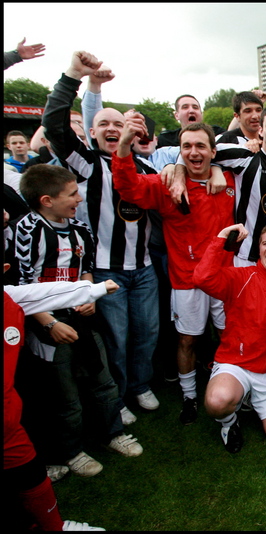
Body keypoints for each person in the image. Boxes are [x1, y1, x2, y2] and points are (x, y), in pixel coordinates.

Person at [42, 50, 161, 421]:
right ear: (92, 132)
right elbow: (54, 126)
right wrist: (73, 77)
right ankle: (119, 397)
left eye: (118, 123)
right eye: (104, 123)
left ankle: (140, 385)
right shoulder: (87, 163)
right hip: (106, 271)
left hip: (143, 268)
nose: (112, 128)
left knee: (147, 334)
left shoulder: (144, 167)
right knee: (116, 339)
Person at [14, 165, 144, 477]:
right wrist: (49, 324)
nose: (79, 199)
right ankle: (70, 451)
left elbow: (86, 268)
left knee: (103, 380)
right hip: (46, 327)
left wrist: (88, 296)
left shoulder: (80, 229)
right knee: (65, 397)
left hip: (81, 319)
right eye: (72, 194)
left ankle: (111, 434)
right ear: (47, 200)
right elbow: (21, 288)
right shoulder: (28, 231)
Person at [112, 117, 236, 426]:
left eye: (201, 146)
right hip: (187, 279)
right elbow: (128, 187)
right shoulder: (167, 185)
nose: (194, 152)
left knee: (227, 335)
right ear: (179, 151)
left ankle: (231, 387)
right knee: (187, 341)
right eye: (187, 147)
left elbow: (254, 152)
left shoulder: (230, 179)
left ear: (213, 151)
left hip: (224, 276)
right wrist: (124, 145)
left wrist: (215, 170)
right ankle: (189, 396)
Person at [6, 275, 116, 532]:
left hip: (8, 422)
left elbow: (43, 292)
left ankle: (54, 527)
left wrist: (95, 289)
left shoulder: (8, 296)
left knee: (31, 474)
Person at [193, 223, 266, 452]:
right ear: (259, 249)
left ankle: (249, 398)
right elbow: (202, 278)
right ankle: (229, 422)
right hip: (235, 364)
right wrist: (221, 239)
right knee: (217, 401)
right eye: (265, 243)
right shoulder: (240, 276)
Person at [180, 102, 266, 267]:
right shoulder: (243, 155)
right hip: (247, 258)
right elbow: (199, 150)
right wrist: (176, 169)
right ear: (261, 130)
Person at [156, 95, 226, 148]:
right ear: (176, 115)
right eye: (185, 107)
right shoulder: (165, 140)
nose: (191, 110)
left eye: (195, 107)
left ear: (201, 114)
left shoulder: (217, 133)